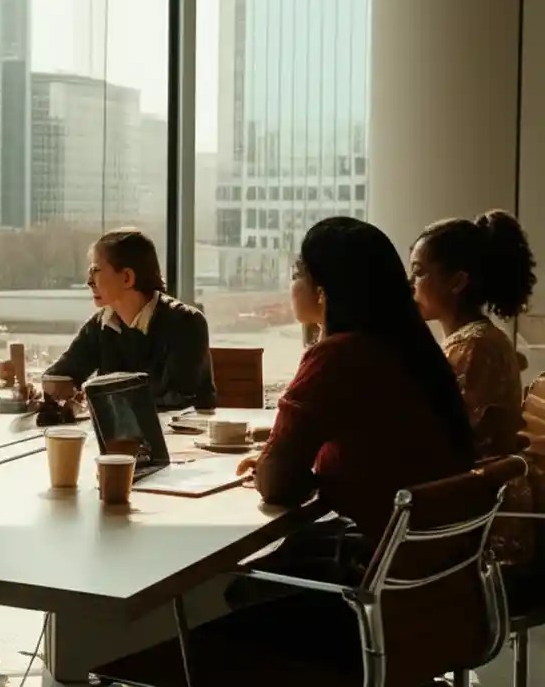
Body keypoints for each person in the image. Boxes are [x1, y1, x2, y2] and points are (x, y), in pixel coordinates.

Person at [217, 218, 475, 670]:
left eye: (298, 272)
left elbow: (278, 485)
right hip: (436, 598)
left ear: (323, 292)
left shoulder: (339, 356)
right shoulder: (411, 348)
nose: (292, 283)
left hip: (369, 605)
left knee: (220, 593)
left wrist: (277, 462)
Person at [411, 209, 538, 568]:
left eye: (420, 272)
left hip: (479, 532)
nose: (411, 284)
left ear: (457, 281)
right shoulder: (479, 340)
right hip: (479, 510)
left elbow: (444, 445)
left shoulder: (473, 349)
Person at [44, 228, 217, 411]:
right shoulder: (101, 325)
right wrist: (46, 389)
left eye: (95, 270)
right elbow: (59, 377)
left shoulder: (186, 323)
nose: (89, 281)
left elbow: (176, 398)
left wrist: (98, 397)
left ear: (127, 278)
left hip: (184, 436)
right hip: (121, 436)